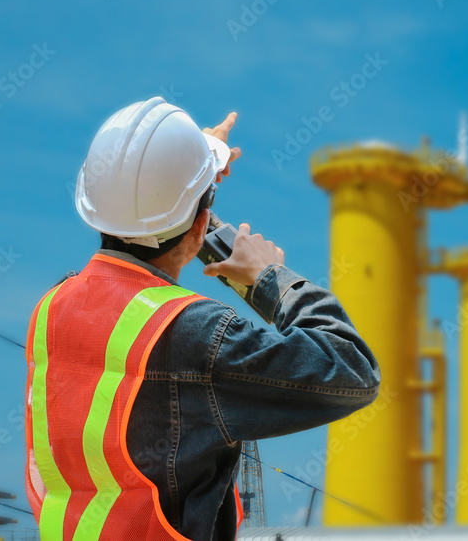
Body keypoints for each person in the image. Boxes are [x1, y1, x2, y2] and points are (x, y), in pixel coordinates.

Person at [24, 97, 379, 541]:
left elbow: (146, 217)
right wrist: (268, 279)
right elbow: (352, 370)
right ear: (200, 225)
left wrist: (187, 177)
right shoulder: (195, 332)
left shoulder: (53, 308)